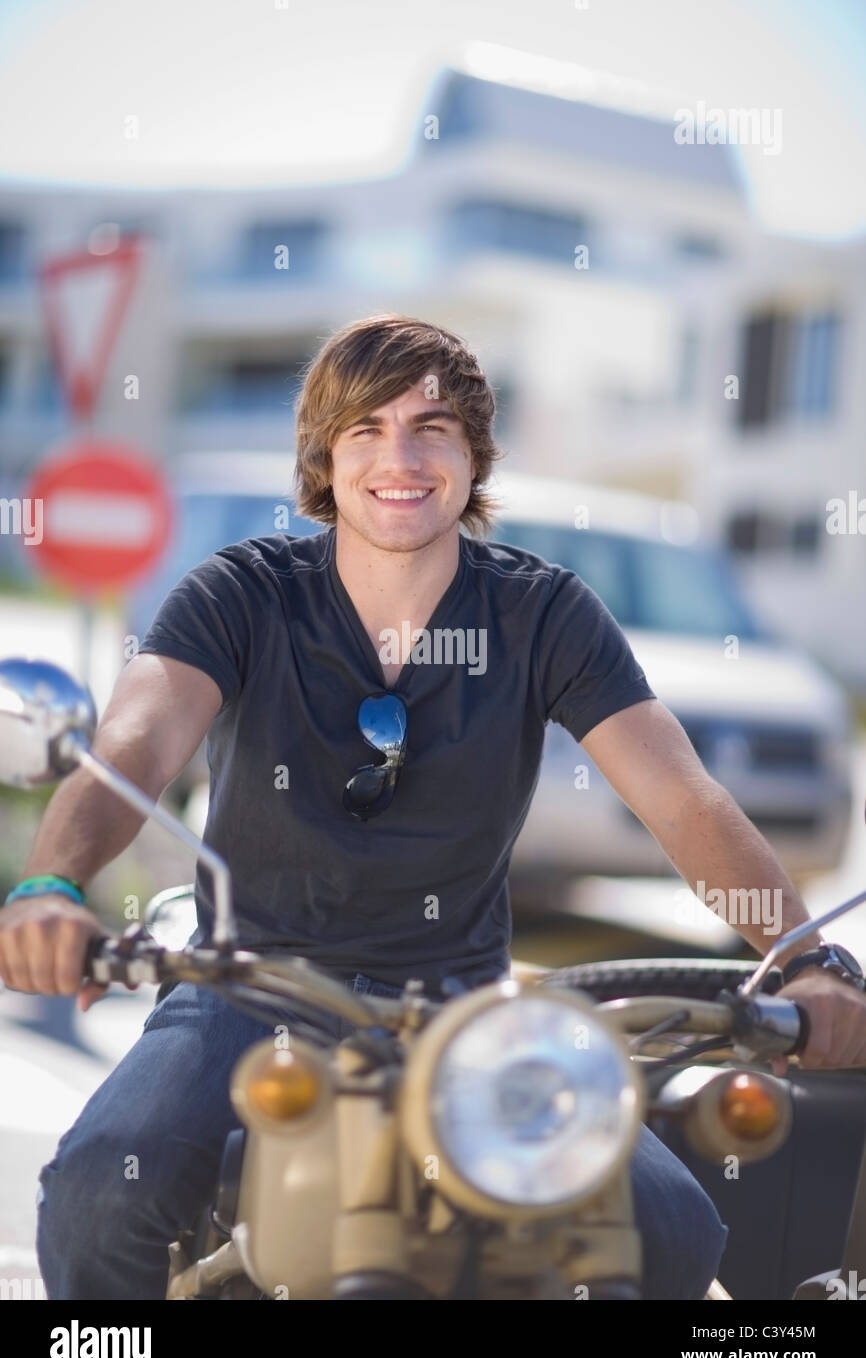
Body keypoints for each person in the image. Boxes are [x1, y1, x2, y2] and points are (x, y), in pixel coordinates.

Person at [2, 315, 864, 1302]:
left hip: (462, 1013)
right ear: (324, 458)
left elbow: (680, 797)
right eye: (365, 430)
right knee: (99, 1191)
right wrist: (50, 883)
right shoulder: (240, 594)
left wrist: (798, 955)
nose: (398, 458)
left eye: (431, 427)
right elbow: (132, 746)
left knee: (671, 1232)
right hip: (249, 984)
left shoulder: (543, 614)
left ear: (472, 456)